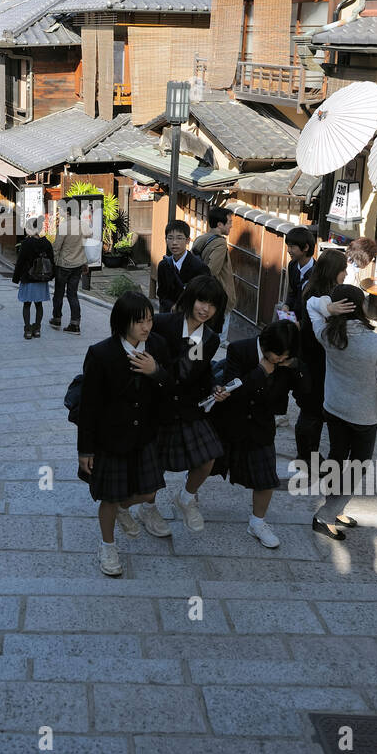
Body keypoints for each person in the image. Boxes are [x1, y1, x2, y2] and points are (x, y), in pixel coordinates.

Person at [306, 284, 377, 533]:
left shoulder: (326, 334)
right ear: (360, 308)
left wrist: (327, 307)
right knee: (358, 465)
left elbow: (310, 304)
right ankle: (326, 515)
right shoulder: (375, 342)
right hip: (363, 415)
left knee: (337, 457)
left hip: (333, 407)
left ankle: (335, 507)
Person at [77, 290, 172, 577]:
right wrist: (86, 449)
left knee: (150, 490)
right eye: (139, 321)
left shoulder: (158, 346)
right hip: (110, 438)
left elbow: (171, 388)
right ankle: (108, 546)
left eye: (150, 320)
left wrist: (155, 370)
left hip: (145, 436)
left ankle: (123, 507)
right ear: (122, 322)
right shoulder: (101, 353)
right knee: (108, 497)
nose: (147, 327)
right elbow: (89, 406)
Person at [211, 320, 307, 549]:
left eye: (286, 356)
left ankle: (257, 522)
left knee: (265, 479)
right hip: (230, 421)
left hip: (261, 425)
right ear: (265, 344)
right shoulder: (239, 349)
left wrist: (296, 367)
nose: (280, 360)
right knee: (206, 464)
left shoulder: (289, 360)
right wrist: (261, 371)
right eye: (278, 355)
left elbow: (305, 391)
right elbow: (233, 391)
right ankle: (188, 494)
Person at [152, 275, 229, 533]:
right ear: (190, 299)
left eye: (212, 305)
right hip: (158, 404)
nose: (205, 309)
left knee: (208, 457)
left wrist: (213, 388)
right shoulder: (162, 323)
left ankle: (186, 498)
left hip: (188, 405)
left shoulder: (209, 338)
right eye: (201, 301)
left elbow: (200, 370)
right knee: (155, 463)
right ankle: (147, 508)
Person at [294, 249, 348, 477]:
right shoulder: (322, 295)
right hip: (315, 360)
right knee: (313, 413)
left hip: (309, 358)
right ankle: (309, 458)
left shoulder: (312, 287)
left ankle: (306, 456)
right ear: (334, 271)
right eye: (343, 270)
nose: (345, 274)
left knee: (310, 411)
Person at [192, 207, 235, 345]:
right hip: (218, 293)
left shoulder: (201, 239)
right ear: (219, 224)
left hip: (201, 290)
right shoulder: (220, 243)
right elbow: (212, 271)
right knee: (217, 340)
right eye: (229, 222)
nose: (231, 225)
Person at [12, 217, 55, 339]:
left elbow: (20, 262)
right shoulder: (47, 243)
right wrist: (51, 276)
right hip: (41, 278)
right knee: (38, 304)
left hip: (28, 278)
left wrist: (16, 278)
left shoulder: (26, 244)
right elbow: (52, 262)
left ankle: (27, 330)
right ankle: (37, 329)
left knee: (27, 304)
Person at [49, 204, 88, 334]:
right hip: (78, 264)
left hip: (64, 265)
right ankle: (75, 323)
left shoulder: (64, 226)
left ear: (67, 212)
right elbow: (87, 241)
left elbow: (56, 247)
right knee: (73, 294)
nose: (60, 213)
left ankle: (57, 318)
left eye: (61, 210)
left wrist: (53, 264)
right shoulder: (83, 225)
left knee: (59, 293)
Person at [156, 220, 209, 312]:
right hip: (170, 316)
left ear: (188, 240)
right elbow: (162, 295)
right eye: (170, 238)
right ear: (166, 240)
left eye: (179, 238)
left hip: (191, 316)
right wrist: (172, 307)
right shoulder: (163, 265)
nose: (174, 243)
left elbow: (205, 296)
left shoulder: (199, 267)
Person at [284, 226, 317, 318]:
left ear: (306, 247)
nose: (288, 250)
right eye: (288, 246)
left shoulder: (318, 273)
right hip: (292, 317)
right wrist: (287, 305)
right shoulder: (292, 265)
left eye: (292, 247)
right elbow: (292, 291)